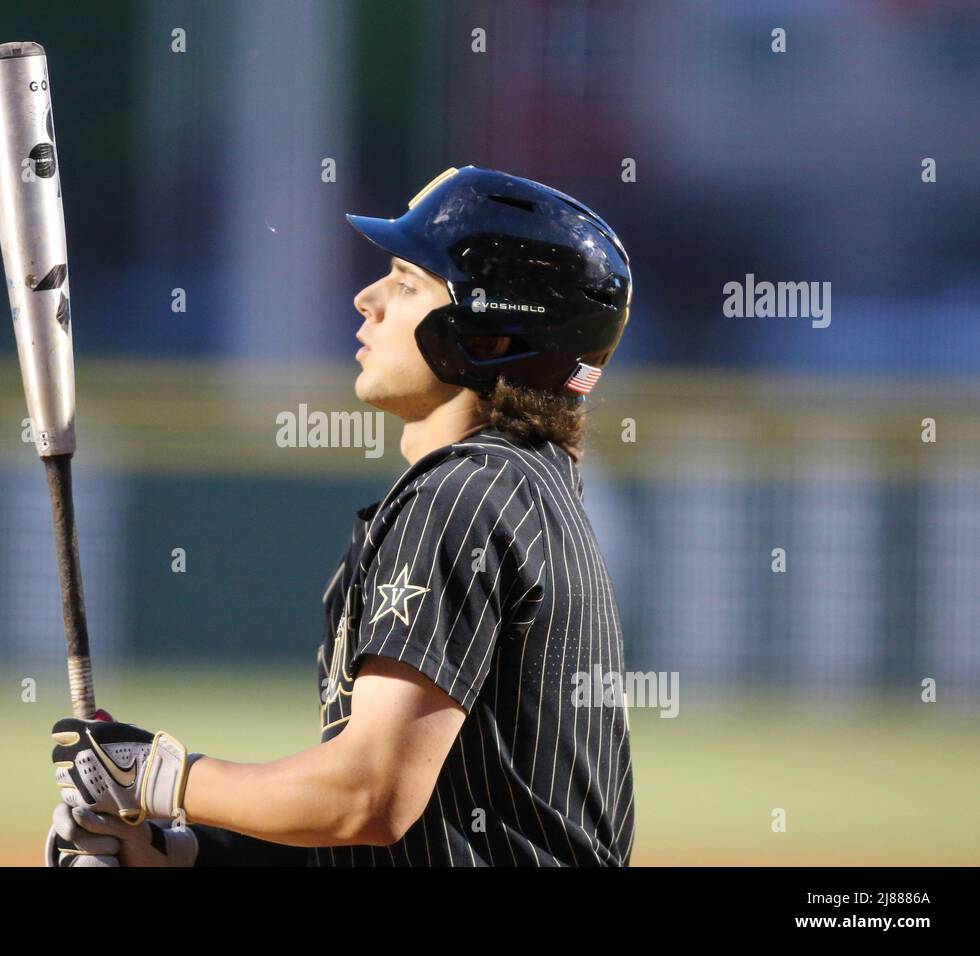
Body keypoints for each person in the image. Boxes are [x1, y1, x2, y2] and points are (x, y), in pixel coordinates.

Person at [45, 166, 636, 866]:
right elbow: (400, 836)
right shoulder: (518, 488)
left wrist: (160, 775)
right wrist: (180, 852)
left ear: (488, 339)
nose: (367, 299)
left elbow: (368, 796)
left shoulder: (460, 500)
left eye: (407, 282)